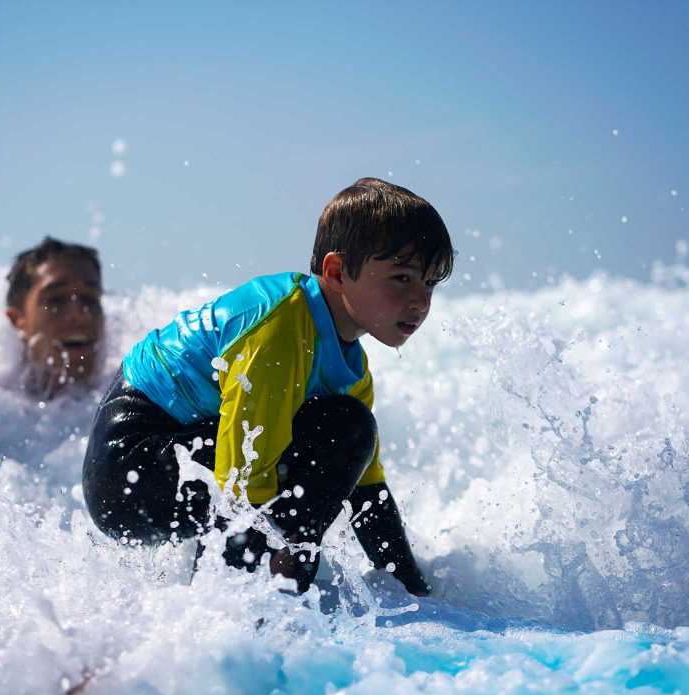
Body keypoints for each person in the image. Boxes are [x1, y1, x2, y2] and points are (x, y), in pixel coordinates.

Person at [82, 178, 452, 596]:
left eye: (430, 283)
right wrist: (254, 583)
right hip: (129, 466)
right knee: (340, 428)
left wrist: (417, 592)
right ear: (335, 272)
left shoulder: (351, 368)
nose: (420, 300)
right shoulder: (279, 328)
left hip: (180, 453)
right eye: (401, 278)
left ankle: (270, 585)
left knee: (348, 430)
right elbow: (241, 474)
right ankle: (242, 601)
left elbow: (366, 491)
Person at [5, 237, 105, 399]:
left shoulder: (138, 394)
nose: (79, 314)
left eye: (90, 299)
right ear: (17, 320)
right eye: (56, 300)